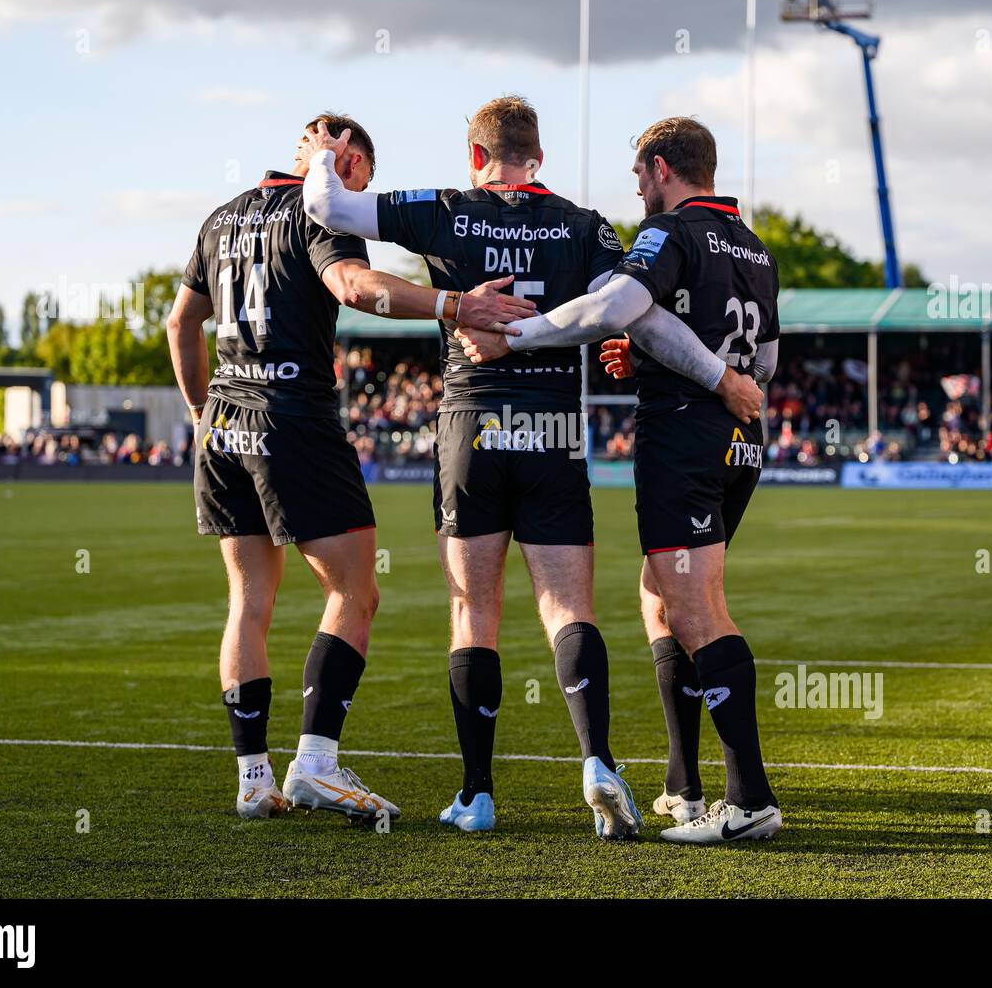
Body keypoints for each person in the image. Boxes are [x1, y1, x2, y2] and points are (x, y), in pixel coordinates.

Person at [302, 95, 760, 838]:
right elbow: (633, 306)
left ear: (476, 155)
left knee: (473, 612)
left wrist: (325, 150)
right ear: (537, 156)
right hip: (552, 427)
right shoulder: (585, 225)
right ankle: (599, 765)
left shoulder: (445, 208)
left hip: (471, 425)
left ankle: (477, 795)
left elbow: (330, 207)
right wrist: (687, 366)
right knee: (567, 609)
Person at [166, 111, 534, 823]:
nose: (359, 189)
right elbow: (356, 289)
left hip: (226, 426)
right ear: (351, 162)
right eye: (362, 173)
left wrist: (198, 412)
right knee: (356, 591)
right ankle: (316, 764)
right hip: (292, 419)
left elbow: (181, 322)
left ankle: (252, 779)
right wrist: (458, 305)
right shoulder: (319, 206)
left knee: (248, 601)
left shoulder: (220, 218)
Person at [459, 116, 784, 844]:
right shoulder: (755, 247)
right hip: (740, 442)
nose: (636, 189)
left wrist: (516, 331)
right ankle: (683, 785)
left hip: (685, 437)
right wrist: (647, 362)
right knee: (662, 594)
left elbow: (613, 307)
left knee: (696, 607)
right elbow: (760, 366)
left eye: (639, 175)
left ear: (662, 168)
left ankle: (749, 798)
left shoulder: (669, 233)